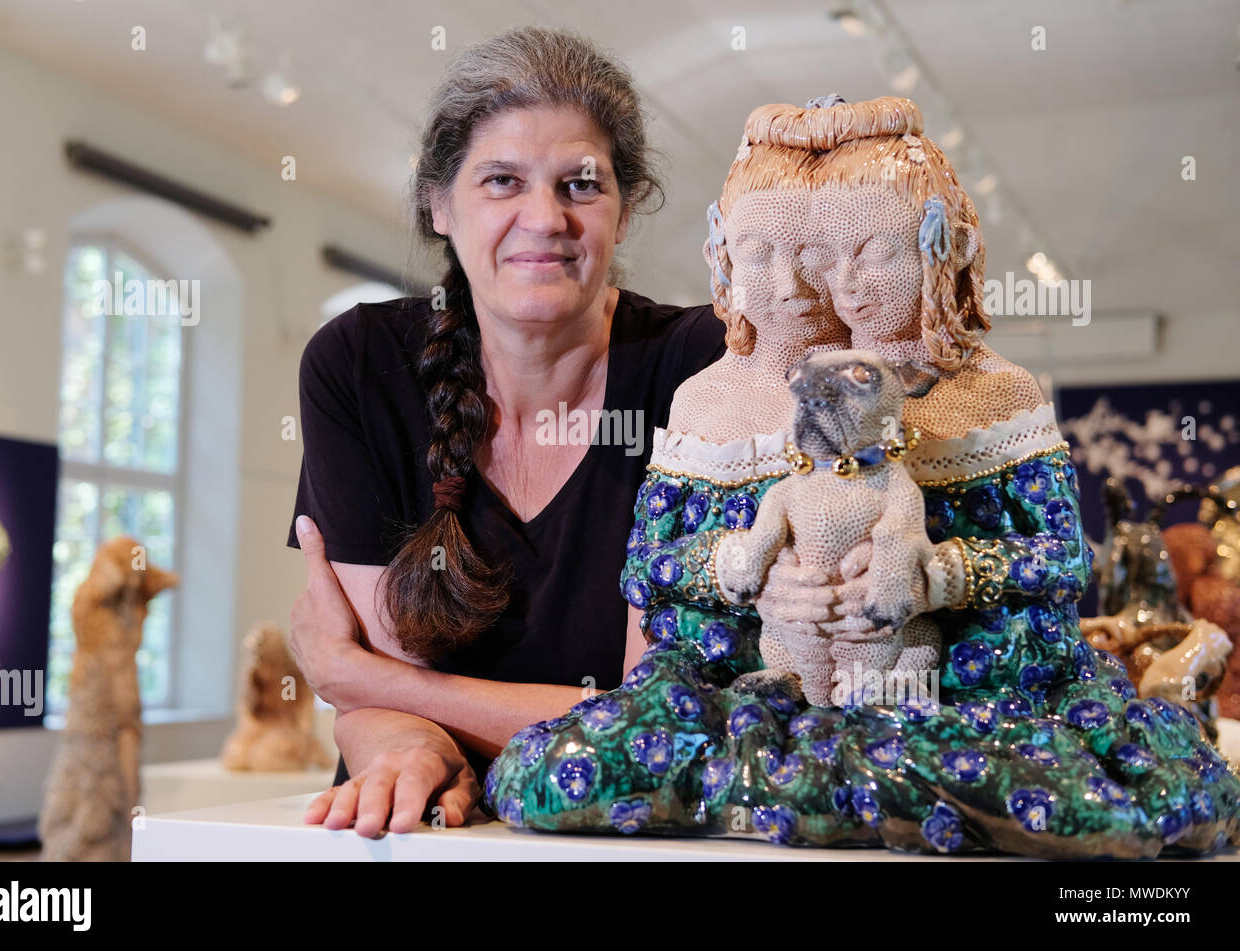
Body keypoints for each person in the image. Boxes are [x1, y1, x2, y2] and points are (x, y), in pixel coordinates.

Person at [484, 96, 1240, 858]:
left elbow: (1063, 558)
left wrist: (936, 576)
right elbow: (647, 564)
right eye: (761, 252)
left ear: (941, 247)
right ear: (721, 255)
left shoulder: (974, 393)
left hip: (954, 682)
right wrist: (748, 569)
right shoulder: (707, 400)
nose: (808, 284)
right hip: (749, 680)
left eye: (846, 252)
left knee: (1074, 791)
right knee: (560, 771)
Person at [283, 27, 727, 836]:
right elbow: (394, 702)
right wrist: (393, 722)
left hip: (625, 842)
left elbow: (660, 727)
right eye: (502, 180)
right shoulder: (357, 365)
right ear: (440, 204)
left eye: (580, 185)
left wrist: (358, 682)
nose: (544, 217)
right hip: (405, 826)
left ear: (622, 210)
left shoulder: (700, 365)